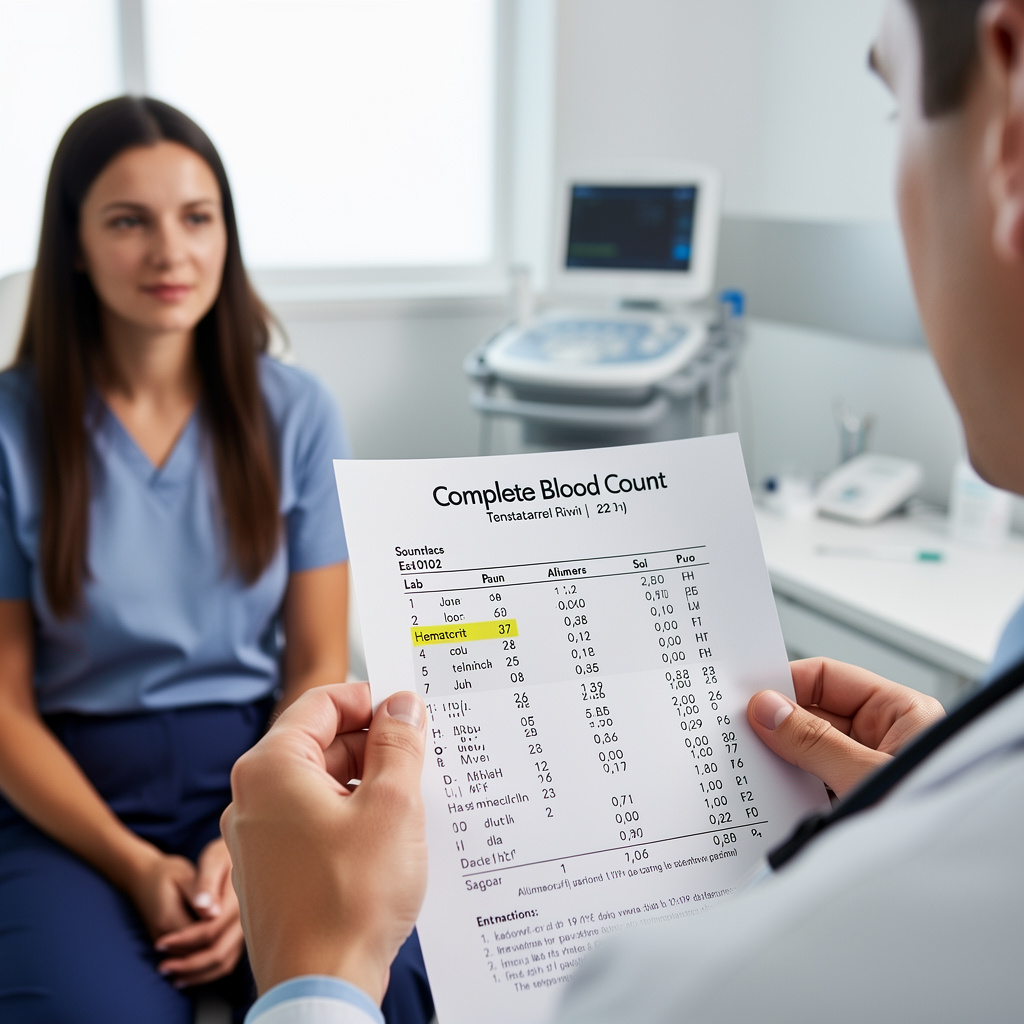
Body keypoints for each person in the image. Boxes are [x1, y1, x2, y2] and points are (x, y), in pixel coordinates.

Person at [222, 0, 1024, 1020]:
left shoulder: (687, 990)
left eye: (891, 107)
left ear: (1010, 138)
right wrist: (931, 797)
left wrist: (312, 974)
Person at [0, 96, 431, 1024]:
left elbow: (314, 661)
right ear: (73, 244)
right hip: (66, 795)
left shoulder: (297, 412)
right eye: (128, 221)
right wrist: (138, 863)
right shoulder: (9, 428)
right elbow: (2, 699)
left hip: (262, 758)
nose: (170, 253)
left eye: (197, 218)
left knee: (384, 992)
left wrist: (248, 839)